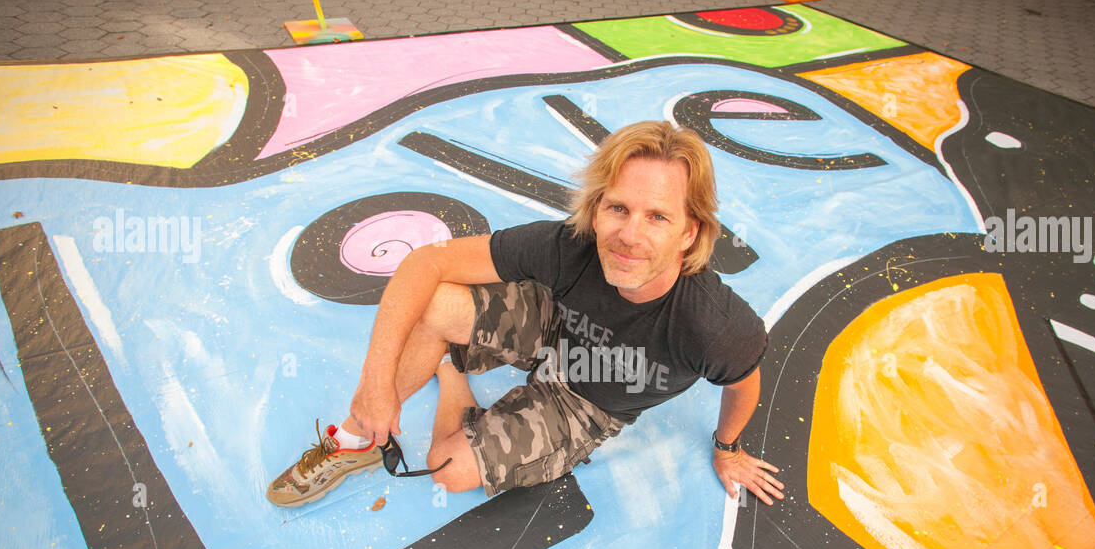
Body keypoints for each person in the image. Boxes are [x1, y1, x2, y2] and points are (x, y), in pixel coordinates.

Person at [267, 120, 785, 508]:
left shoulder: (716, 325)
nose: (629, 235)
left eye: (657, 217)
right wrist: (375, 381)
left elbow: (743, 384)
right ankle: (356, 435)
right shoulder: (570, 246)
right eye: (618, 208)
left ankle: (452, 377)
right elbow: (427, 261)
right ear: (598, 206)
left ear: (689, 232)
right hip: (557, 328)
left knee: (444, 469)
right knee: (436, 298)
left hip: (587, 403)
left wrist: (728, 447)